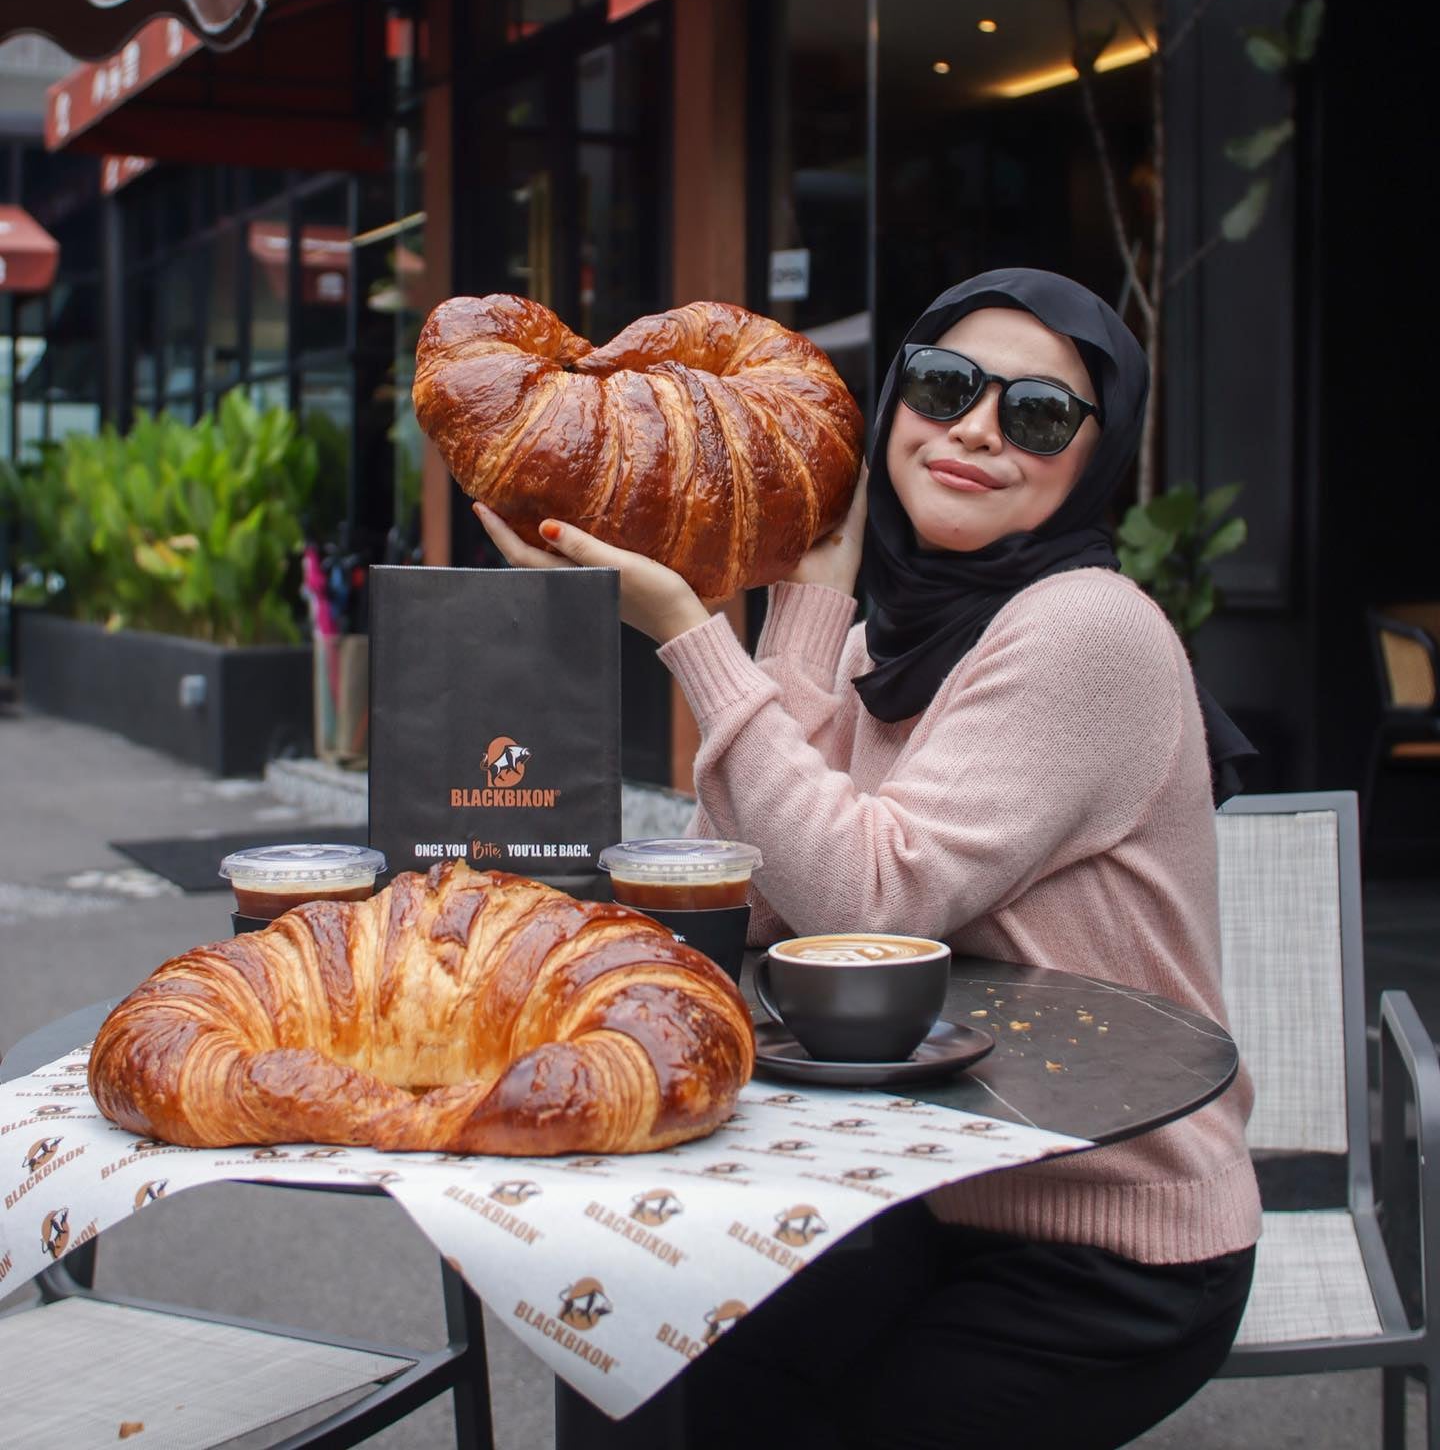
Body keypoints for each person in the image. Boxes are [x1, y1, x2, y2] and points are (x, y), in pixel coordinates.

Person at [475, 269, 1261, 1450]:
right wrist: (804, 608)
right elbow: (741, 895)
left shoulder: (1085, 626)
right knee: (640, 1355)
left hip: (1101, 1240)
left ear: (1092, 460)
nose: (978, 430)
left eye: (1037, 412)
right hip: (910, 1195)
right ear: (894, 407)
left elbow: (871, 899)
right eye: (946, 387)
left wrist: (695, 634)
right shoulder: (884, 642)